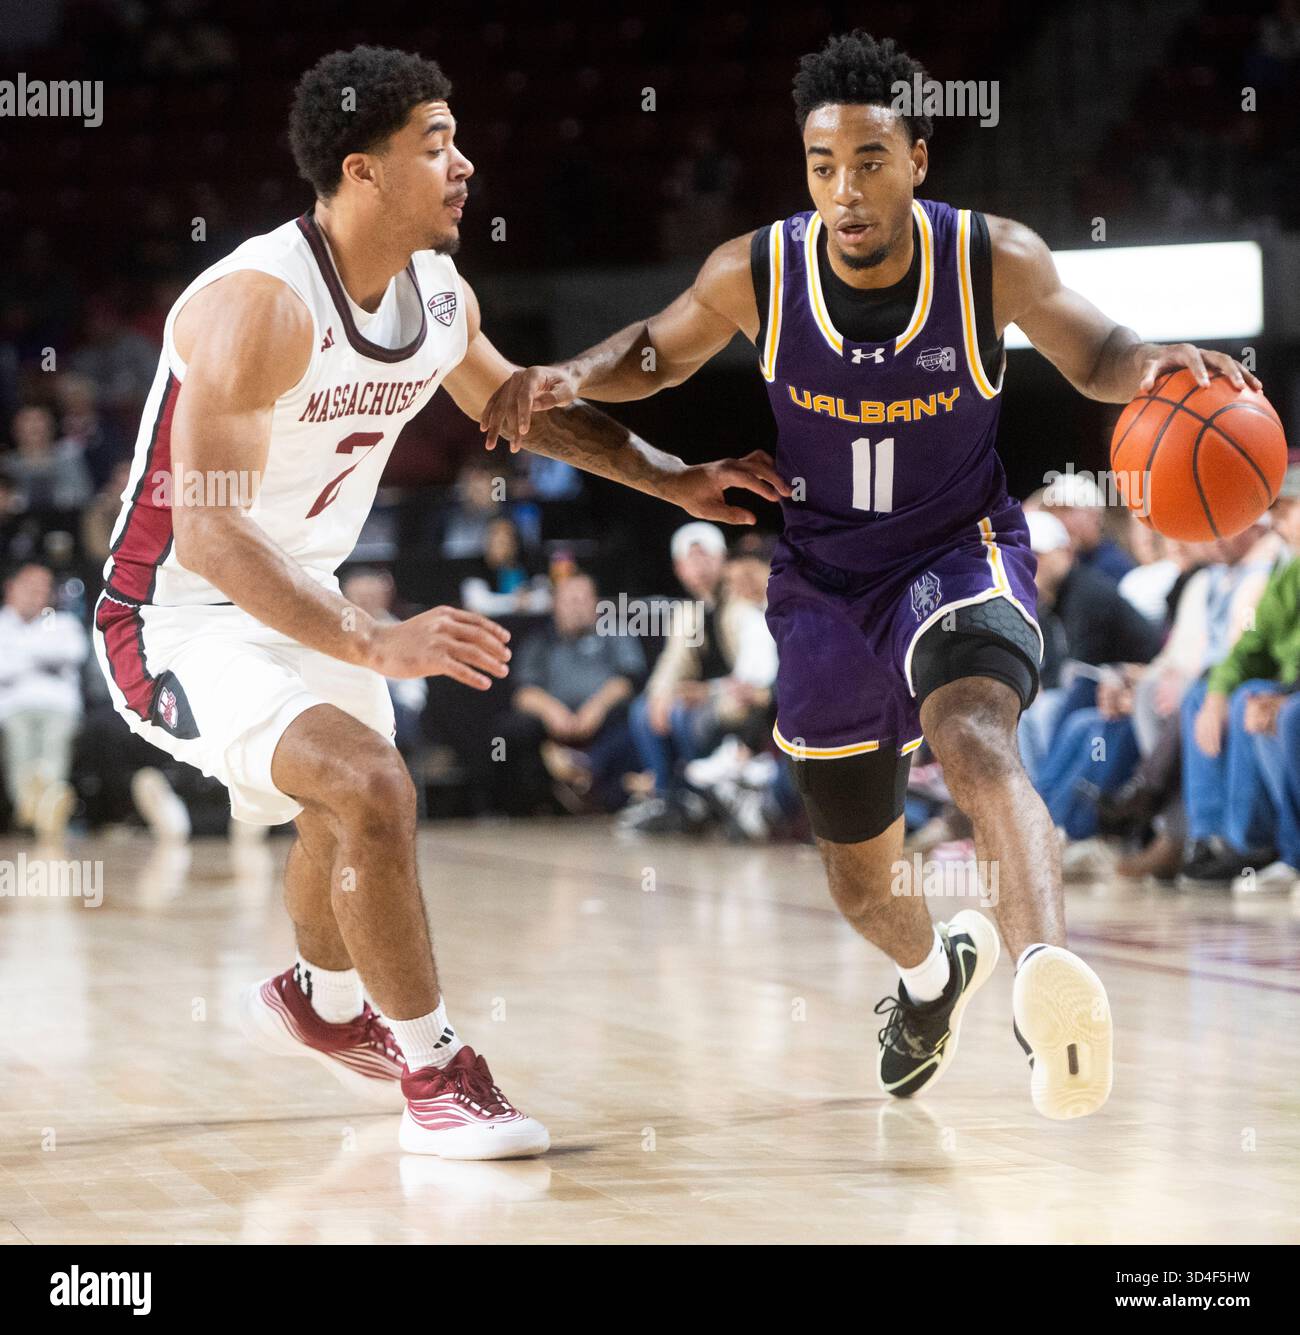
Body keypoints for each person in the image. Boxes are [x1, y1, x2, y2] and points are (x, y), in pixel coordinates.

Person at [480, 29, 1259, 1119]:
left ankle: (1045, 981)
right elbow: (656, 353)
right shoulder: (758, 270)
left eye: (870, 163)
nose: (845, 191)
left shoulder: (993, 258)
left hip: (957, 552)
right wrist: (567, 376)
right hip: (823, 581)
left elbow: (1095, 355)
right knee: (857, 875)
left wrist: (1151, 367)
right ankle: (935, 974)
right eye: (822, 167)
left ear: (917, 161)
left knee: (976, 735)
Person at [92, 45, 782, 1160]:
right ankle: (439, 1073)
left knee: (357, 804)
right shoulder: (256, 304)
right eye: (436, 143)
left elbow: (524, 412)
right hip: (177, 611)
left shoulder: (440, 296)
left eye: (457, 138)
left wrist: (671, 478)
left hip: (298, 596)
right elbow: (212, 532)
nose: (464, 164)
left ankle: (317, 999)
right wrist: (373, 637)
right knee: (371, 784)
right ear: (362, 172)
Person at [1181, 466, 1300, 892]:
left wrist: (1285, 697)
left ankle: (1278, 850)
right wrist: (1216, 695)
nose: (1279, 524)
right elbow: (1247, 648)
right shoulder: (1289, 573)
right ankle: (1225, 840)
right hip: (1289, 686)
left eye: (1288, 512)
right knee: (1225, 697)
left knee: (1280, 713)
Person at [623, 521, 778, 833]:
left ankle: (701, 798)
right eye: (691, 559)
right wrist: (659, 695)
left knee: (684, 715)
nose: (700, 565)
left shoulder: (742, 604)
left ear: (722, 559)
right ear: (679, 568)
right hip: (721, 695)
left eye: (706, 556)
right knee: (643, 710)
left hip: (742, 699)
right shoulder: (690, 612)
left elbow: (753, 677)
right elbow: (672, 664)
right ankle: (667, 797)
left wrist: (705, 692)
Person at [500, 570, 644, 813]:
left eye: (584, 599)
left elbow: (627, 681)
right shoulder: (540, 641)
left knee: (636, 717)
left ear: (597, 604)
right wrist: (552, 711)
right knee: (508, 732)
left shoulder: (615, 633)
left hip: (603, 719)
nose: (577, 607)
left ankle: (584, 769)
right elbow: (523, 693)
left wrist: (596, 708)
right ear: (555, 605)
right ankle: (531, 804)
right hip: (555, 726)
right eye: (570, 600)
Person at [0, 562, 88, 839]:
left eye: (43, 589)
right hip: (12, 708)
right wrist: (42, 659)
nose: (37, 594)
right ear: (11, 588)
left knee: (54, 742)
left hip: (58, 706)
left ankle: (47, 805)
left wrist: (19, 657)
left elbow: (74, 653)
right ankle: (30, 805)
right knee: (18, 743)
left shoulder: (61, 622)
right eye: (30, 587)